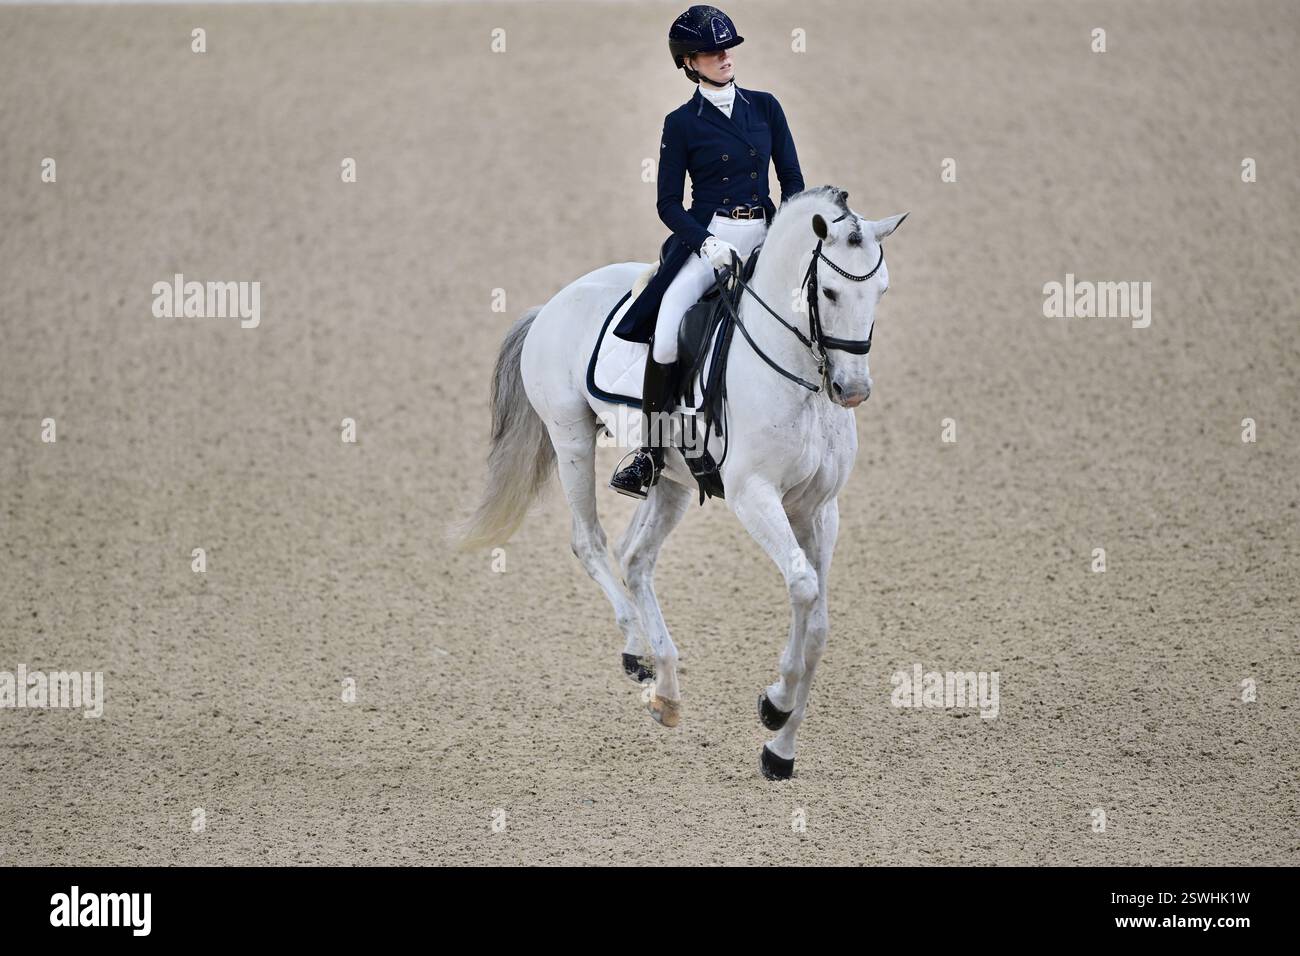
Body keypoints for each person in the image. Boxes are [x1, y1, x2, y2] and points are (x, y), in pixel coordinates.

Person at [609, 4, 806, 498]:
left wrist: (785, 233)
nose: (724, 57)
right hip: (710, 238)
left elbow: (793, 181)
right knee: (668, 324)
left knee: (811, 307)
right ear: (689, 62)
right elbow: (668, 203)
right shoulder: (681, 123)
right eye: (711, 52)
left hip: (765, 233)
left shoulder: (766, 107)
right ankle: (651, 455)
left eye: (727, 48)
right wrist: (707, 242)